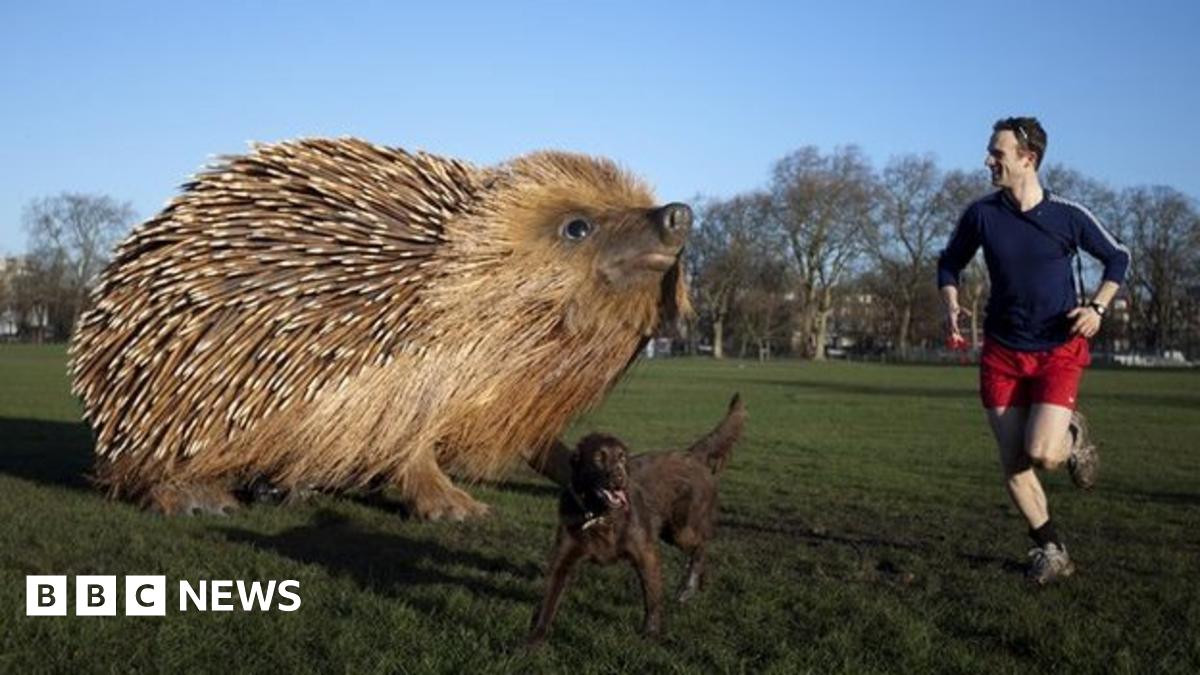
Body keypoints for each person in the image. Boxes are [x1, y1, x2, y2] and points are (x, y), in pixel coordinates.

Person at [936, 116, 1130, 584]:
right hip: (1002, 351)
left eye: (997, 153)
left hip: (1057, 348)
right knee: (1014, 463)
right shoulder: (982, 214)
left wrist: (1099, 309)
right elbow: (948, 262)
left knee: (1044, 453)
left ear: (1028, 158)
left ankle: (1073, 436)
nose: (988, 160)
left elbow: (1118, 256)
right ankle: (1051, 549)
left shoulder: (1067, 215)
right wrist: (951, 302)